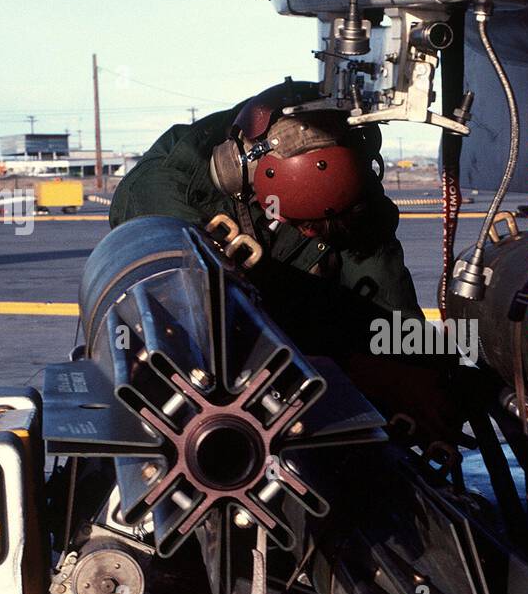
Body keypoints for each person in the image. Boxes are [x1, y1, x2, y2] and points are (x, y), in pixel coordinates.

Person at [110, 79, 459, 447]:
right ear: (239, 172)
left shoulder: (344, 183)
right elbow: (214, 326)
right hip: (198, 359)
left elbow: (382, 292)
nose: (310, 236)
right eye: (302, 224)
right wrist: (363, 369)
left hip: (292, 325)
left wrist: (422, 371)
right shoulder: (164, 194)